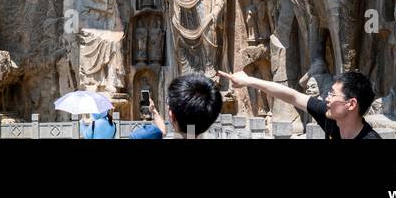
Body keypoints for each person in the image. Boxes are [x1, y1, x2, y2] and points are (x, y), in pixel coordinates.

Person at [219, 70, 380, 139]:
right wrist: (248, 80)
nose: (327, 99)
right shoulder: (331, 118)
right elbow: (293, 96)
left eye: (333, 94)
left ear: (351, 104)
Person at [129, 74, 223, 139]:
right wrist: (153, 111)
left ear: (172, 115)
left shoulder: (145, 137)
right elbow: (191, 130)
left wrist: (154, 111)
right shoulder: (192, 131)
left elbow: (162, 131)